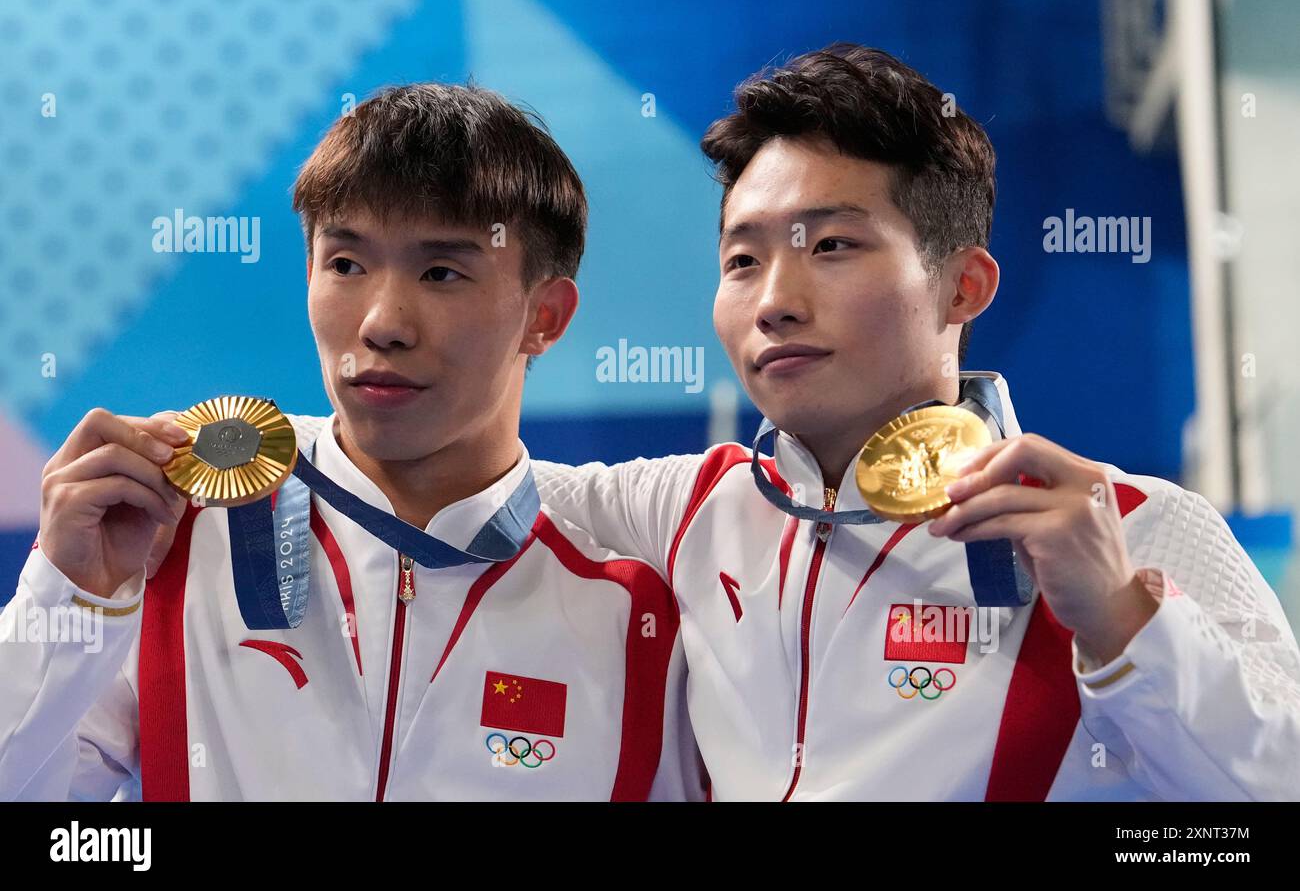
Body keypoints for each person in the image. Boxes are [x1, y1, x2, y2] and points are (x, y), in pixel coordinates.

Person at [534, 43, 1300, 800]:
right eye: (742, 261)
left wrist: (1121, 615)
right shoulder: (686, 509)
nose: (774, 302)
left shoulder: (1139, 527)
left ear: (963, 287)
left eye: (832, 245)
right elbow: (464, 488)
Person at [0, 83, 702, 801]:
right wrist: (67, 596)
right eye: (346, 264)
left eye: (441, 273)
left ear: (545, 318)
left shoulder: (631, 617)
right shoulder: (174, 528)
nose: (381, 322)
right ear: (308, 273)